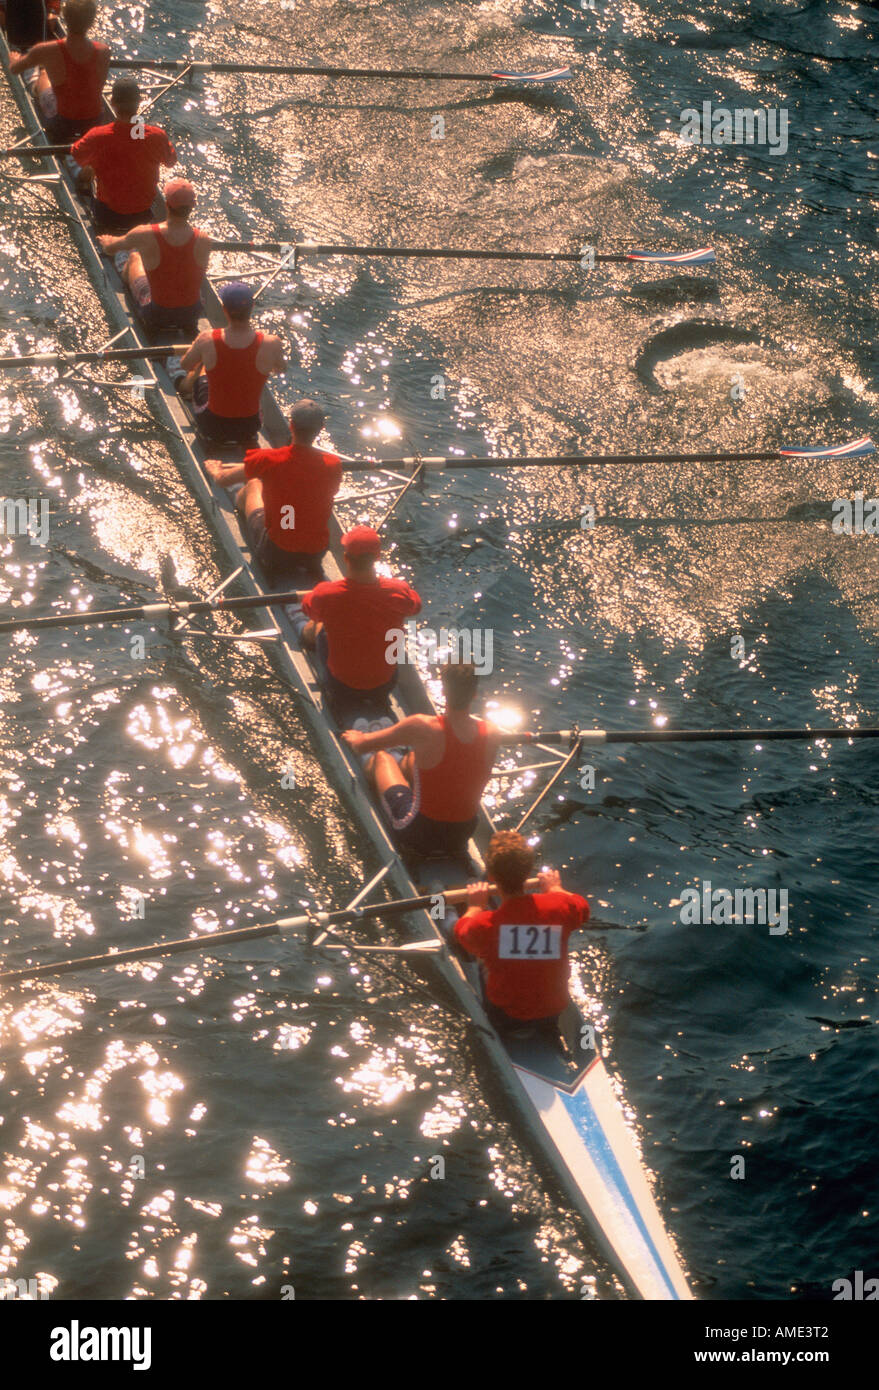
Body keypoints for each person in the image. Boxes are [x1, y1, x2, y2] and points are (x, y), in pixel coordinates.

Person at [341, 660, 504, 860]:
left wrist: (354, 737)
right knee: (412, 758)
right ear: (474, 694)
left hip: (417, 832)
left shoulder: (422, 726)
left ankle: (391, 772)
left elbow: (361, 746)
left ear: (443, 691)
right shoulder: (493, 733)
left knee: (382, 758)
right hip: (461, 835)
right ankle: (402, 767)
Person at [453, 830, 591, 1032]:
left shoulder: (484, 925)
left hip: (505, 1016)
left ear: (492, 877)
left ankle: (437, 901)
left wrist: (475, 906)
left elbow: (461, 932)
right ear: (528, 873)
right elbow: (582, 908)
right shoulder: (562, 907)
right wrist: (555, 889)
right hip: (552, 1013)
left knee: (449, 922)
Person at [205, 398, 341, 584]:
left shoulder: (270, 459)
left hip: (277, 552)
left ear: (291, 425)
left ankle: (244, 517)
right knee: (294, 505)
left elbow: (223, 481)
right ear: (321, 429)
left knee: (253, 483)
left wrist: (214, 469)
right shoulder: (334, 464)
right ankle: (301, 553)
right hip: (315, 553)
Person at [300, 525, 421, 719]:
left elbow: (308, 607)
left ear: (346, 558)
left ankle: (306, 646)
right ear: (377, 558)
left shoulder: (327, 594)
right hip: (384, 684)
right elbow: (415, 605)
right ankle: (376, 698)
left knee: (317, 625)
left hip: (341, 685)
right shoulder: (398, 591)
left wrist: (313, 596)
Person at [97, 178, 211, 336]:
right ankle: (187, 325)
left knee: (135, 257)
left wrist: (106, 241)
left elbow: (110, 249)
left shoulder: (145, 233)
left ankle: (132, 299)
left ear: (166, 204)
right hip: (191, 314)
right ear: (193, 206)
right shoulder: (205, 239)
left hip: (157, 313)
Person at [177, 281, 284, 447]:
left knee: (202, 366)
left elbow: (185, 364)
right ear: (252, 306)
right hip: (250, 427)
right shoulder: (272, 343)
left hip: (212, 425)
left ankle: (182, 387)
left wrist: (203, 355)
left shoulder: (207, 338)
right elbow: (280, 368)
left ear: (224, 309)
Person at [71, 76, 176, 232]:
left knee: (85, 164)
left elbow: (75, 154)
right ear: (139, 103)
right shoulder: (157, 136)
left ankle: (84, 190)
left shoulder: (98, 135)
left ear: (112, 103)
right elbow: (171, 162)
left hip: (108, 216)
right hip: (142, 216)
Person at [9, 0, 108, 144]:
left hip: (63, 124)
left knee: (43, 75)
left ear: (65, 18)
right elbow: (99, 84)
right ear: (92, 22)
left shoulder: (46, 49)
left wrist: (14, 59)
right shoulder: (104, 51)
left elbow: (15, 69)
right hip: (95, 121)